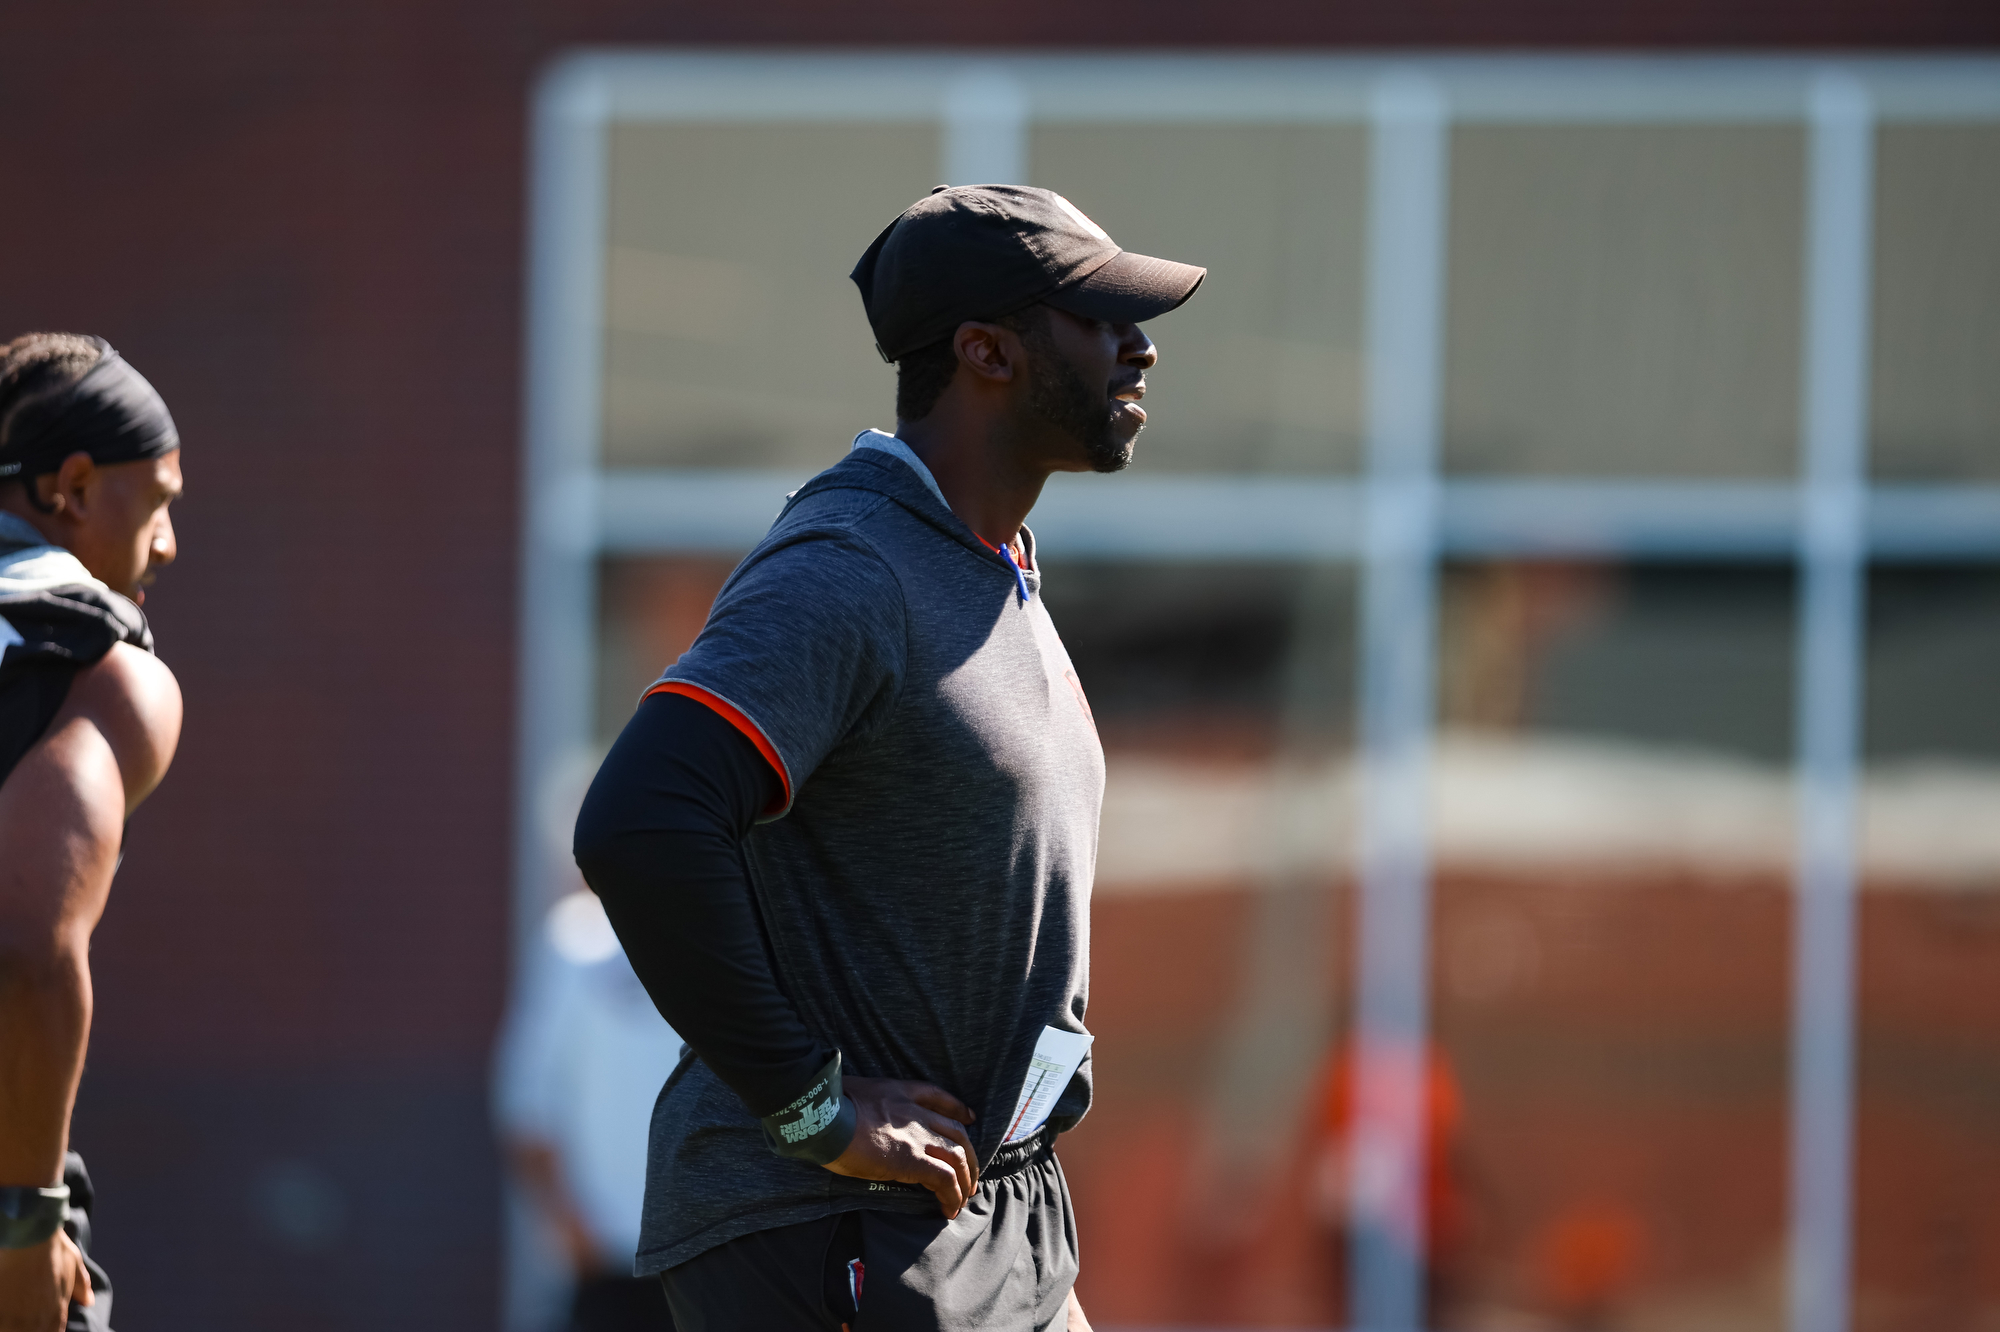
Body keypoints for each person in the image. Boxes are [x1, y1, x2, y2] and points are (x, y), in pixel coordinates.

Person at [572, 184, 1204, 1331]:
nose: (1141, 347)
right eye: (1102, 318)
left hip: (989, 1217)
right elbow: (640, 820)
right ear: (985, 353)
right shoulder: (850, 567)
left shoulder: (984, 566)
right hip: (834, 1223)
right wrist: (810, 1109)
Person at [0, 333, 185, 1332]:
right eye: (157, 503)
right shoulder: (95, 663)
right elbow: (26, 949)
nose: (165, 546)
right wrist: (21, 1231)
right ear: (71, 486)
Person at [495, 890, 681, 1331]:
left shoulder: (724, 927)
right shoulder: (573, 937)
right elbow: (527, 1102)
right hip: (607, 1263)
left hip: (707, 1258)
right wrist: (566, 1222)